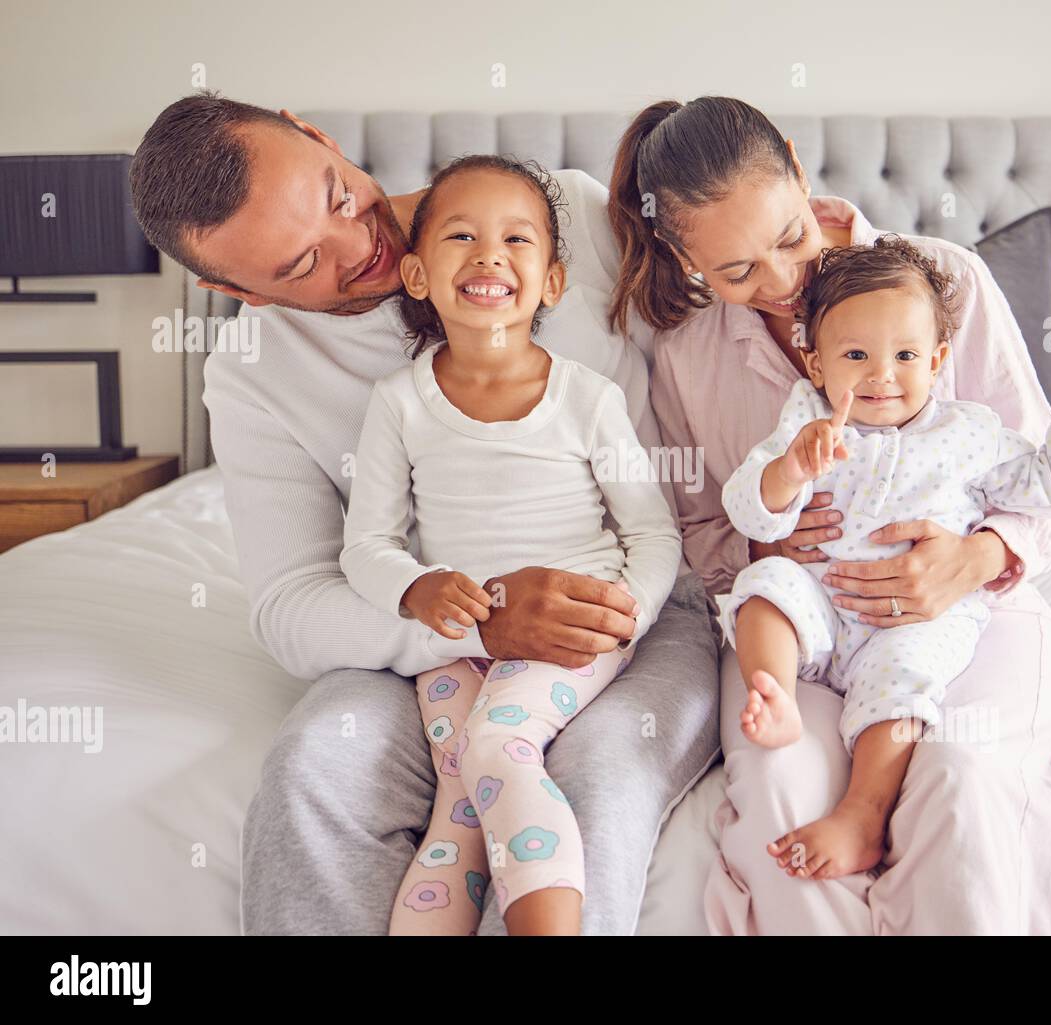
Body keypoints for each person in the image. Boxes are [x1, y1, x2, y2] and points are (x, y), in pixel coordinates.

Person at [128, 92, 719, 936]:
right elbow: (294, 605)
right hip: (419, 639)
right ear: (234, 291)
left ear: (318, 135)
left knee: (601, 772)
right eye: (302, 267)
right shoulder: (255, 372)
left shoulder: (559, 218)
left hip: (633, 612)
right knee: (313, 772)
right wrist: (483, 623)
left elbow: (759, 325)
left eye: (339, 194)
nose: (361, 245)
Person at [608, 95, 1051, 934]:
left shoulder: (948, 283)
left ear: (798, 169)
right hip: (808, 628)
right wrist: (768, 531)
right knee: (780, 803)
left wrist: (970, 559)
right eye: (735, 272)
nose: (784, 283)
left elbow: (1044, 490)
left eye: (789, 238)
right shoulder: (687, 357)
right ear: (681, 256)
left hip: (971, 618)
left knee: (959, 781)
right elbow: (696, 535)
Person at [717, 237, 1051, 881]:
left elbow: (1049, 488)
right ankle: (775, 694)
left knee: (903, 685)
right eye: (855, 355)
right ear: (816, 362)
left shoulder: (969, 432)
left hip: (913, 620)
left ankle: (863, 813)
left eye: (905, 355)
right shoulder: (805, 420)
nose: (882, 374)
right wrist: (789, 470)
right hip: (821, 605)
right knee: (763, 583)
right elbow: (746, 509)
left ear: (938, 359)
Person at [340, 155, 681, 934]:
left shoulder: (588, 398)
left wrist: (626, 610)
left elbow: (652, 531)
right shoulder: (398, 404)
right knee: (457, 803)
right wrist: (416, 589)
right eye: (462, 235)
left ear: (552, 282)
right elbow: (367, 545)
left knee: (496, 745)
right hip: (454, 641)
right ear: (419, 275)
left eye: (516, 240)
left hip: (573, 624)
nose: (490, 255)